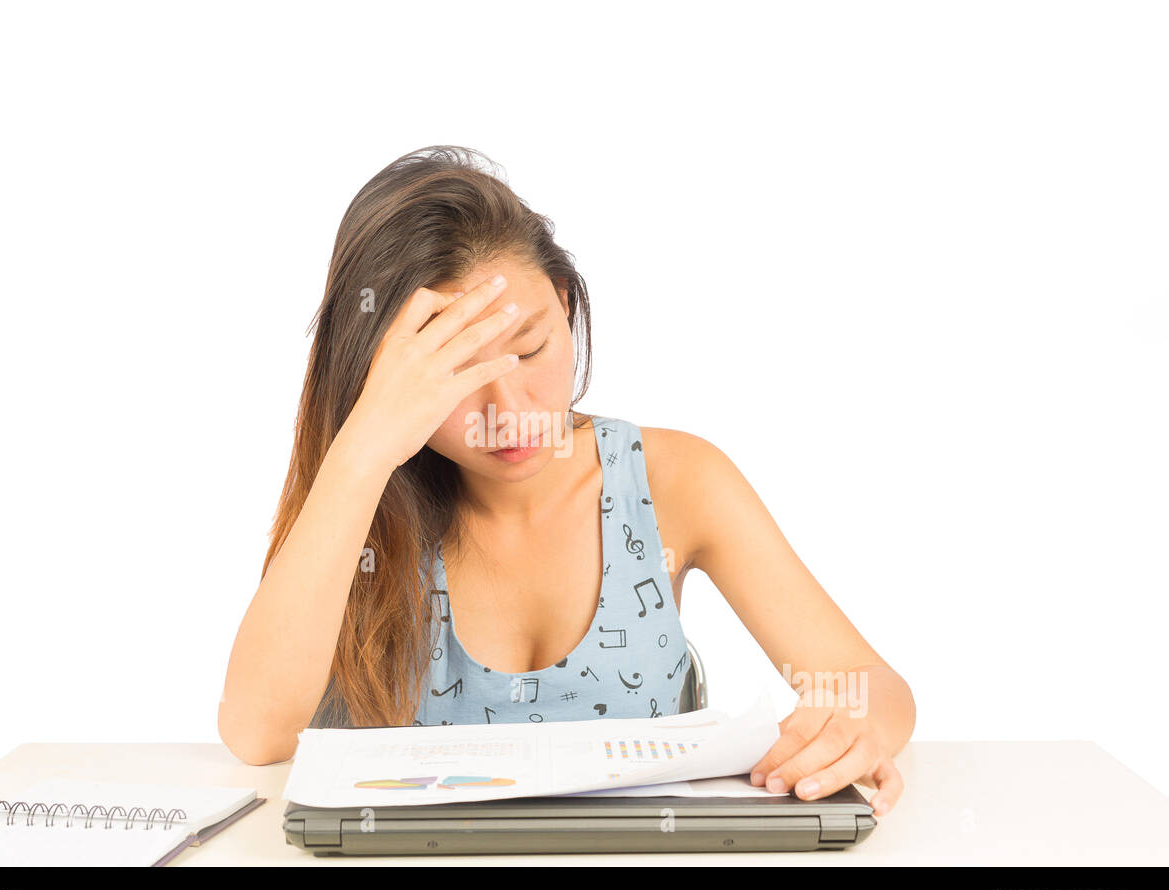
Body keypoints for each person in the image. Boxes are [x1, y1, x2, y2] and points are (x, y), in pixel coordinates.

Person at [218, 146, 914, 816]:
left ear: (564, 306)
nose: (510, 414)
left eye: (531, 348)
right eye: (454, 375)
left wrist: (856, 725)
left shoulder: (677, 481)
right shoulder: (363, 503)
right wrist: (363, 449)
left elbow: (871, 686)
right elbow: (256, 733)